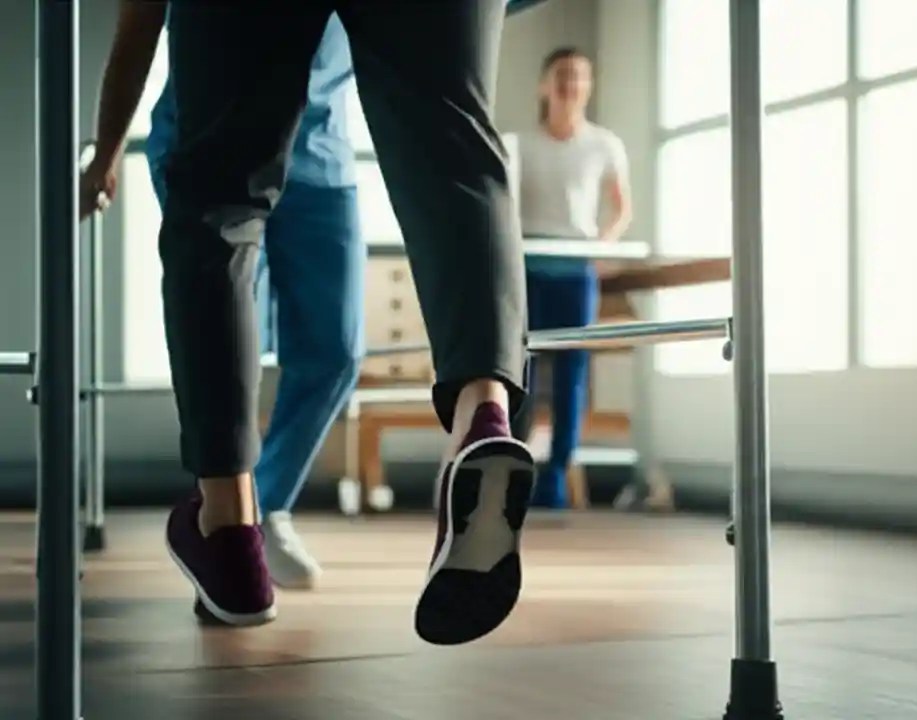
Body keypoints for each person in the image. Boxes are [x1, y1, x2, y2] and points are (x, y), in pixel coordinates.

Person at [81, 1, 533, 646]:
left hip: (310, 158)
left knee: (218, 206)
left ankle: (232, 531)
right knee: (458, 153)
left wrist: (105, 146)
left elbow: (139, 23)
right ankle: (482, 415)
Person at [511, 47, 632, 509]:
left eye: (579, 76)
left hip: (576, 266)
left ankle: (556, 473)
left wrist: (603, 245)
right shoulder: (519, 143)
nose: (570, 84)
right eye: (561, 75)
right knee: (521, 368)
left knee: (571, 374)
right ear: (544, 85)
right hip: (530, 264)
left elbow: (622, 206)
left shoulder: (604, 144)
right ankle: (516, 471)